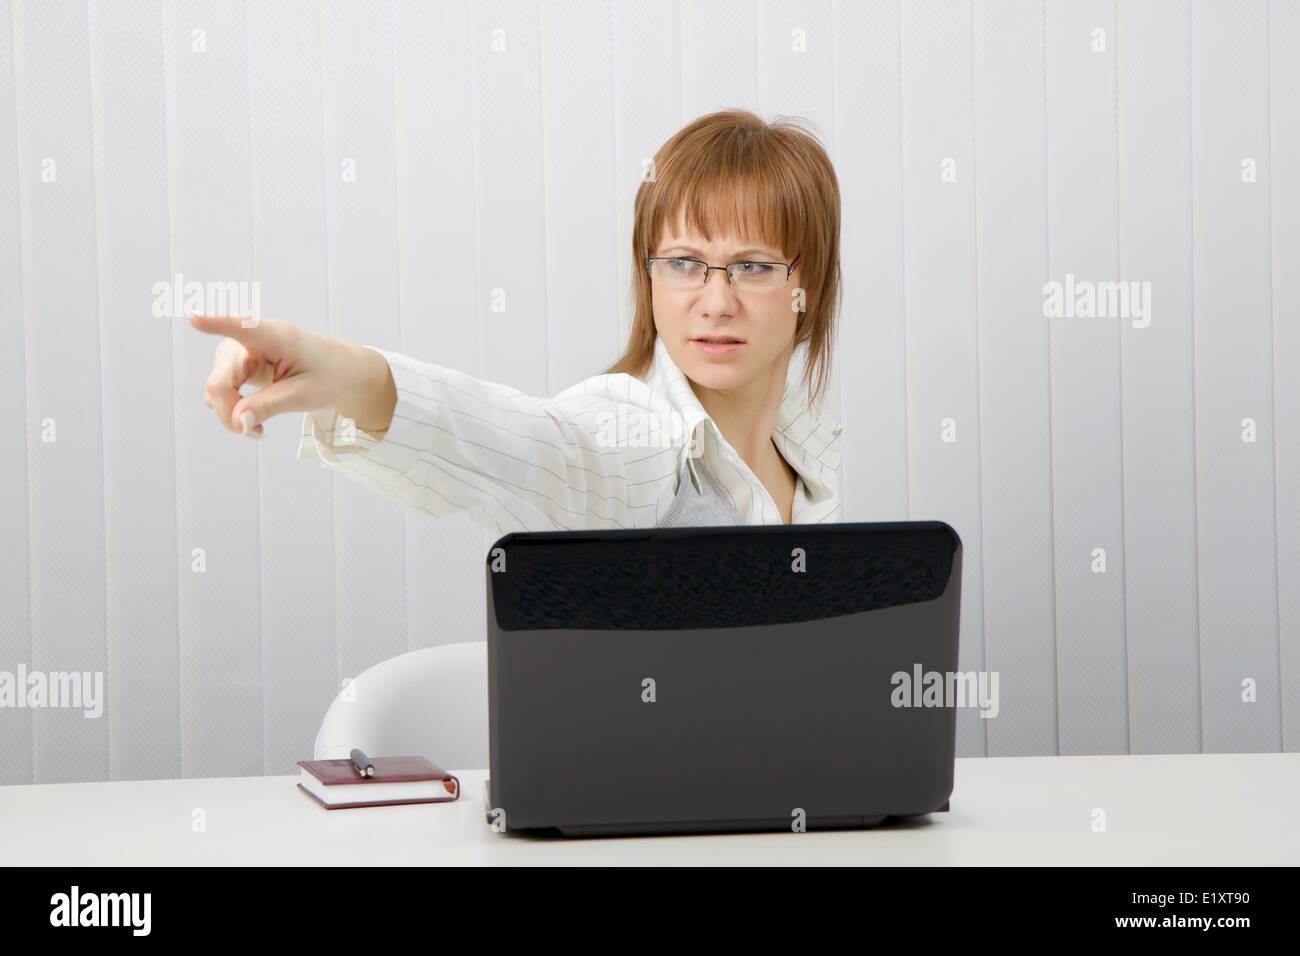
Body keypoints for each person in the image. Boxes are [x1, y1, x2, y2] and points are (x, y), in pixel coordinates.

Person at [192, 108, 843, 533]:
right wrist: (348, 373)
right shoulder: (635, 435)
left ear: (805, 286)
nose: (715, 299)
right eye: (682, 263)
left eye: (753, 267)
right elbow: (530, 445)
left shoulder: (811, 450)